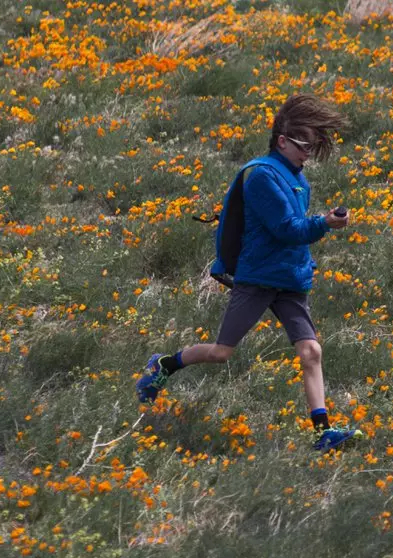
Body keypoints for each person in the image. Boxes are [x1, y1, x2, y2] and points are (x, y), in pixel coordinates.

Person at [136, 94, 361, 451]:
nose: (308, 154)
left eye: (313, 146)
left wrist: (317, 231)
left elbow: (296, 230)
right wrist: (325, 223)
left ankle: (322, 433)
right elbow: (287, 229)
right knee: (221, 353)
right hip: (258, 278)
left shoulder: (296, 177)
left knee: (311, 352)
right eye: (304, 146)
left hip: (289, 278)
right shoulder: (261, 177)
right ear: (282, 141)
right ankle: (163, 364)